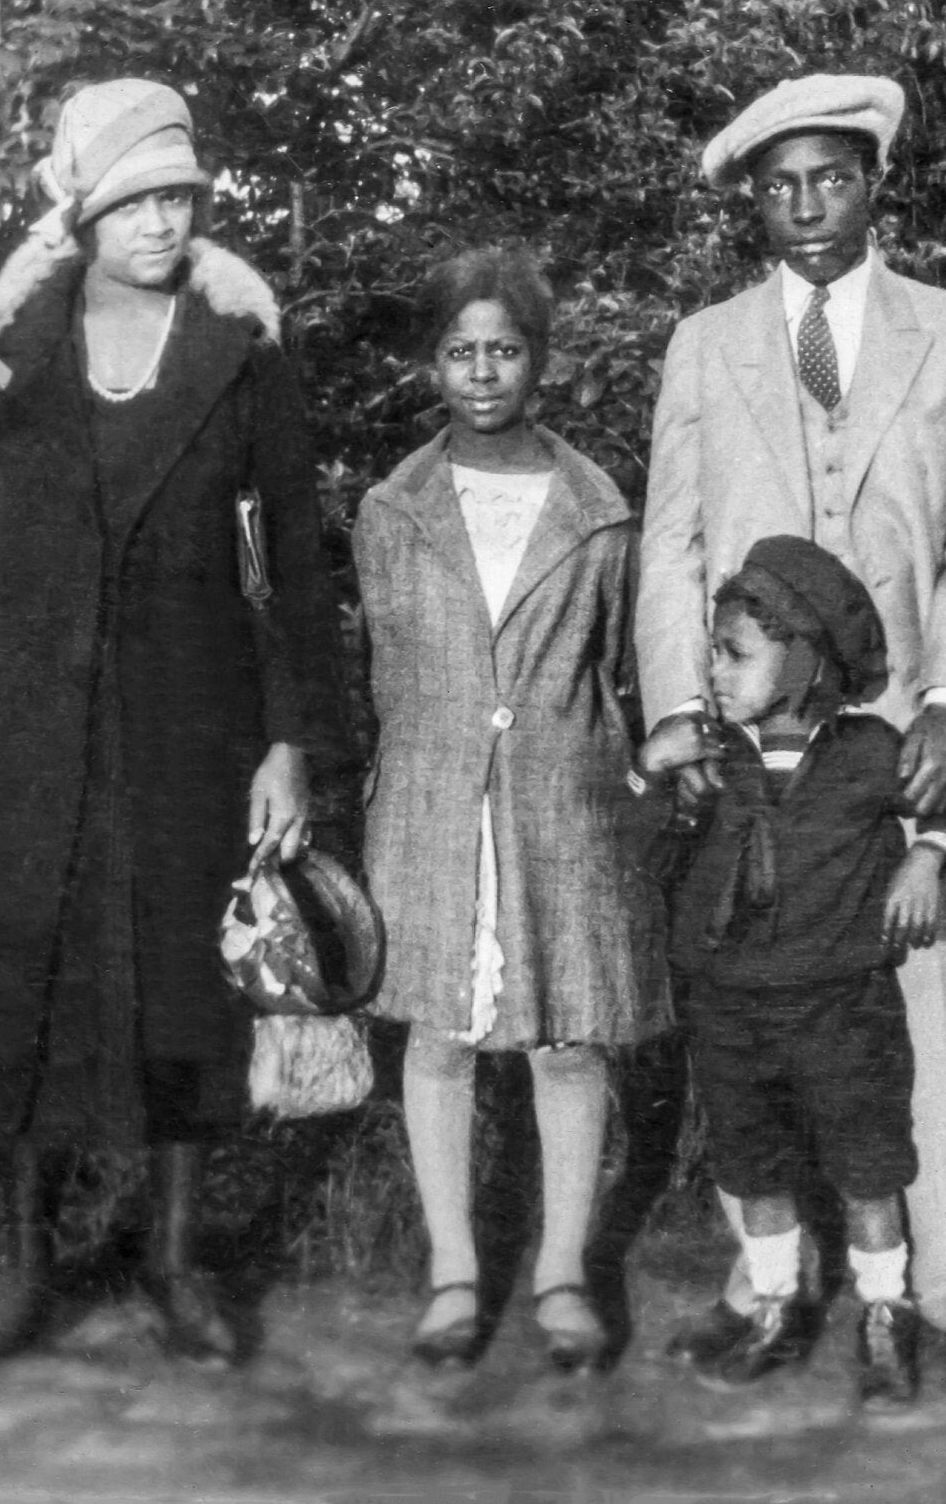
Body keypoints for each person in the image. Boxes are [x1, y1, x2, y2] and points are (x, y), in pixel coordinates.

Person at [0, 78, 344, 1368]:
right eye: (134, 198)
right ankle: (24, 1262)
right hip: (27, 717)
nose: (160, 222)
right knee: (21, 968)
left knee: (187, 984)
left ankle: (172, 1255)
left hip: (189, 715)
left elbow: (293, 564)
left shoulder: (241, 347)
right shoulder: (12, 346)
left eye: (180, 197)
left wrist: (287, 738)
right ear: (82, 210)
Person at [634, 72, 946, 1394]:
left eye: (833, 178)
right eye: (780, 183)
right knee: (760, 1024)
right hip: (758, 755)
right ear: (754, 196)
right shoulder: (707, 343)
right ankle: (770, 1287)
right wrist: (684, 709)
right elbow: (672, 541)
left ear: (876, 183)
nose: (807, 207)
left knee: (927, 1021)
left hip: (911, 738)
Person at [351, 246, 666, 1372]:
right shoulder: (393, 507)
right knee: (438, 1034)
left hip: (562, 799)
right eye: (461, 350)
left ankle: (566, 1271)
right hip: (433, 797)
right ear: (433, 362)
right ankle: (450, 1272)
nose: (483, 370)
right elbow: (386, 667)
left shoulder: (597, 506)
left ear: (541, 359)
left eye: (505, 349)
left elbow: (625, 662)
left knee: (567, 1039)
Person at [643, 536, 940, 1406]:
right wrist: (645, 771)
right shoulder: (708, 755)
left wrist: (928, 859)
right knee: (753, 1162)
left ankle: (886, 1311)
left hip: (841, 1005)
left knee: (868, 1162)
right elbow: (637, 850)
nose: (716, 670)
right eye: (714, 650)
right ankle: (775, 1302)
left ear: (805, 662)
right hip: (728, 1008)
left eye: (736, 653)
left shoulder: (869, 750)